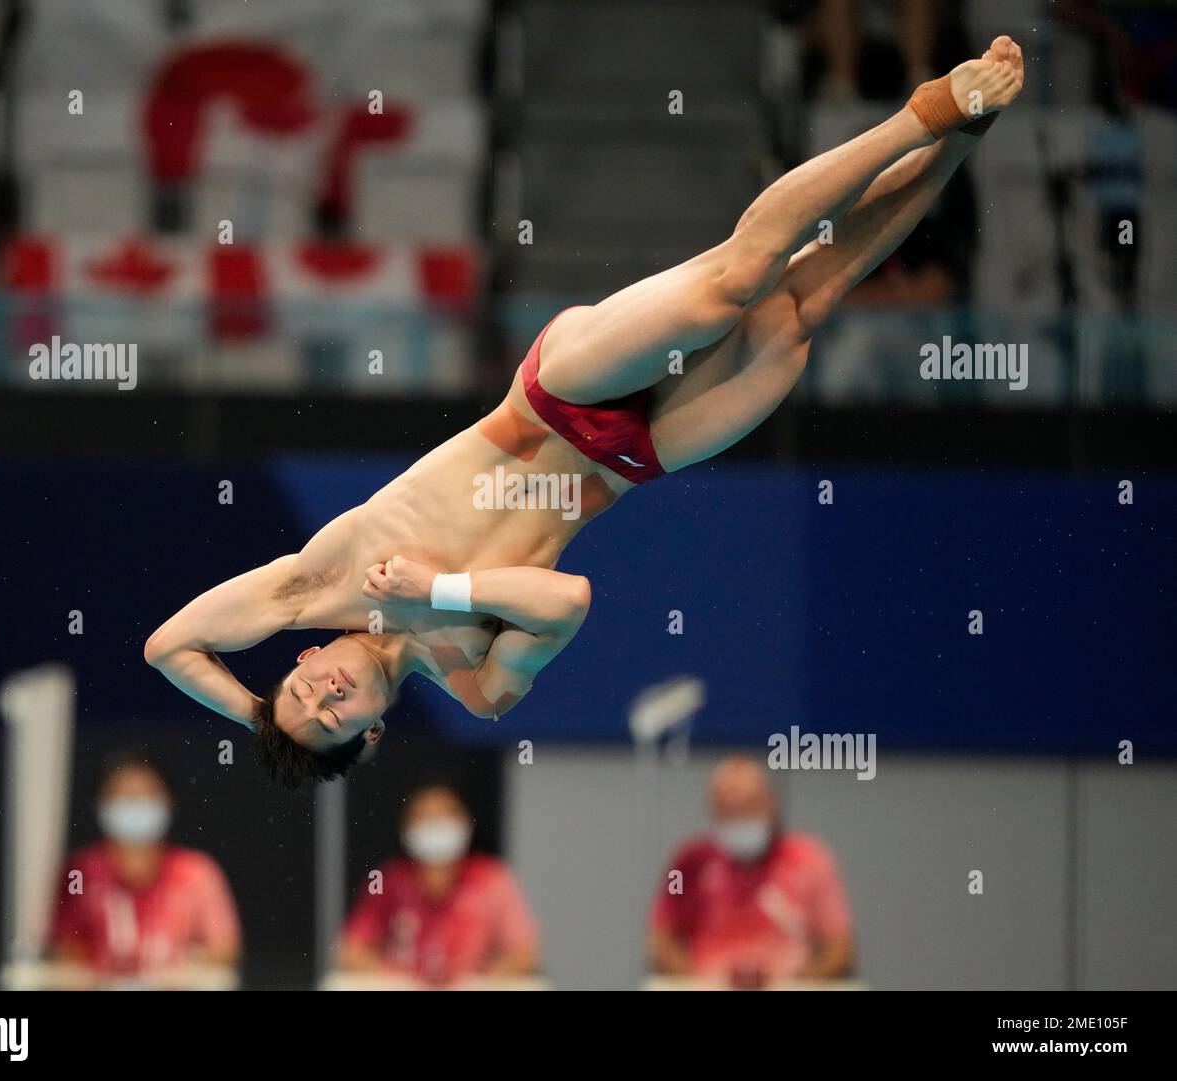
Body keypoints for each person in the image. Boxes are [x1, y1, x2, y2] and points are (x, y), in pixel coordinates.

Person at [144, 41, 1025, 786]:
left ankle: (926, 107)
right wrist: (438, 593)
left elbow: (168, 646)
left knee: (734, 280)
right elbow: (567, 600)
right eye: (331, 719)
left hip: (556, 397)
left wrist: (259, 716)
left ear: (299, 661)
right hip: (629, 457)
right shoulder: (476, 685)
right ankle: (966, 133)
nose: (323, 695)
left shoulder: (319, 582)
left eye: (303, 692)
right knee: (804, 308)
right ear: (369, 735)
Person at [648, 756, 853, 987]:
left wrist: (799, 984)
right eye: (727, 808)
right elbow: (660, 942)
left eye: (748, 806)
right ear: (712, 809)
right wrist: (698, 982)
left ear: (771, 803)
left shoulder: (811, 859)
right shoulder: (685, 867)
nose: (739, 817)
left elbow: (839, 949)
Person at [49, 752, 242, 987]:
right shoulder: (80, 872)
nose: (136, 804)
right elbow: (64, 952)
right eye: (125, 797)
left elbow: (224, 950)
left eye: (145, 796)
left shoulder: (197, 872)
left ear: (167, 802)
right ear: (101, 805)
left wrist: (174, 977)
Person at [337, 785, 540, 986]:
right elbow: (350, 951)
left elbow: (524, 954)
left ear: (465, 823)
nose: (434, 825)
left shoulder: (492, 879)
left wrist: (476, 983)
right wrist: (400, 981)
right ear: (406, 828)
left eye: (445, 816)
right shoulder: (386, 879)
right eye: (424, 817)